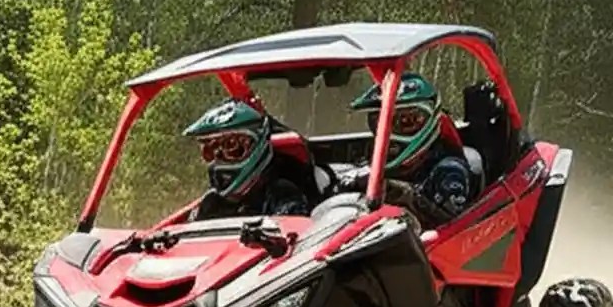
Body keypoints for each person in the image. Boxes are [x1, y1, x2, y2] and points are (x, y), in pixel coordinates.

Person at [344, 71, 483, 228]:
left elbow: (450, 223)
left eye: (406, 121)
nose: (390, 134)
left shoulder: (449, 170)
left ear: (429, 122)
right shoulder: (376, 163)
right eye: (380, 122)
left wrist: (398, 192)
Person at [183, 98, 323, 221]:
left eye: (231, 146)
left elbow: (292, 237)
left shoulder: (281, 194)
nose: (218, 160)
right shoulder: (212, 202)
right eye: (209, 150)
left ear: (256, 145)